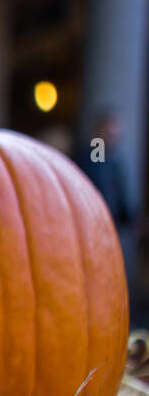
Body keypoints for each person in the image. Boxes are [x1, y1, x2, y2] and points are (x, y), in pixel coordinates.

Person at [80, 108, 142, 325]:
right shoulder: (98, 153)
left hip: (111, 228)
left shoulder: (113, 157)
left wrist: (131, 219)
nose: (115, 132)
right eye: (110, 128)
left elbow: (120, 193)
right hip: (95, 228)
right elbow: (99, 181)